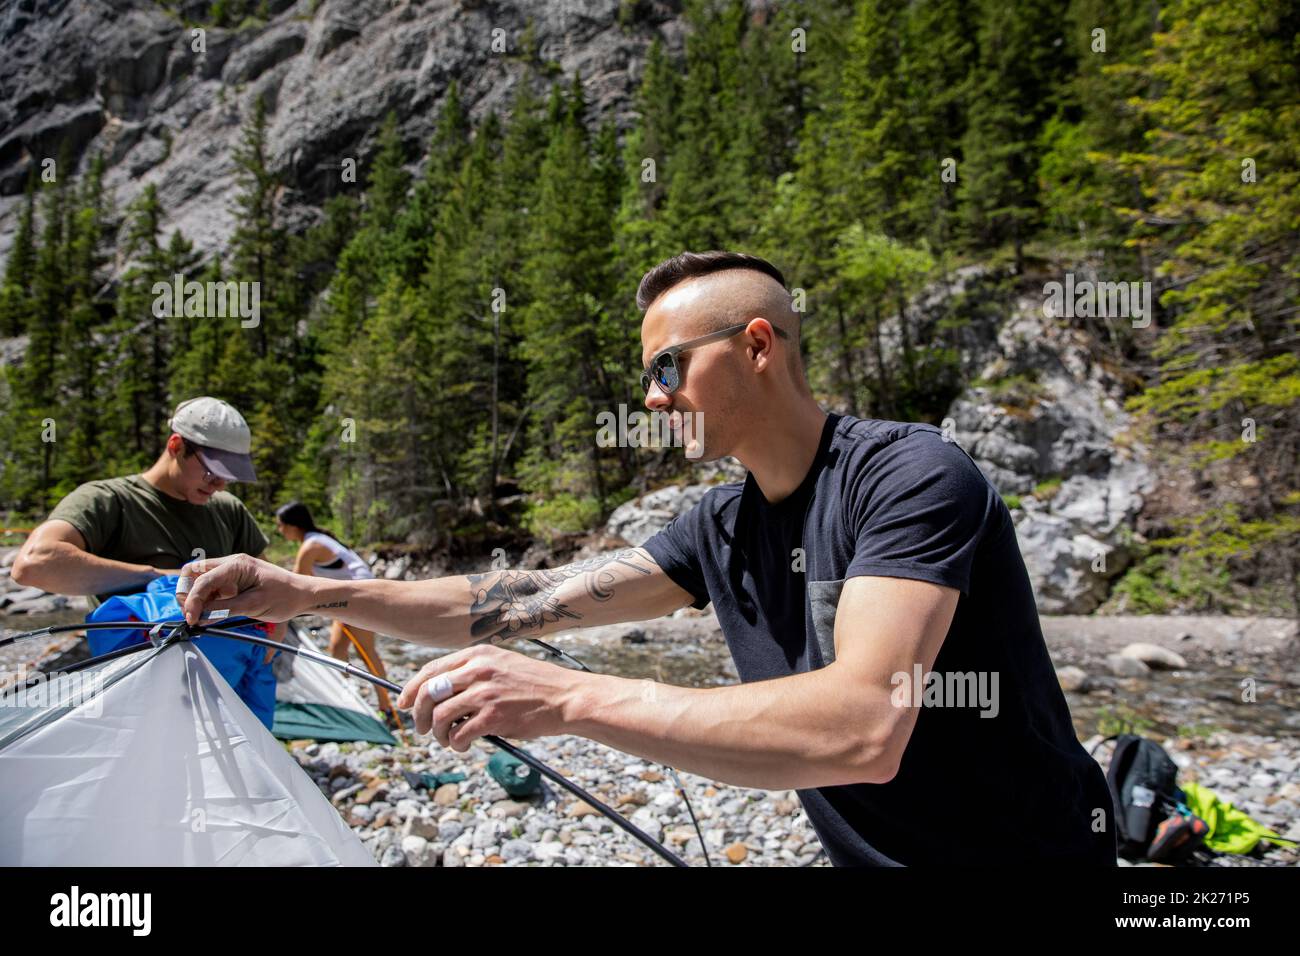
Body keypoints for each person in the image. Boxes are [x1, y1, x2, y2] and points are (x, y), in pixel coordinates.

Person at [175, 252, 1118, 866]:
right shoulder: (720, 525)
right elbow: (523, 600)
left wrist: (573, 701)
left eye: (667, 368)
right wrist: (297, 589)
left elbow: (864, 727)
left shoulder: (910, 474)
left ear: (757, 346)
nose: (654, 398)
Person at [13, 396, 280, 728]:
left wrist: (274, 636)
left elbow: (272, 587)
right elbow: (34, 564)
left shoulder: (229, 510)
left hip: (223, 682)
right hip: (136, 693)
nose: (221, 484)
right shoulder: (108, 500)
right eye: (213, 471)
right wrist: (160, 576)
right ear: (176, 445)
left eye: (230, 475)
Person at [274, 500, 394, 718]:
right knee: (337, 651)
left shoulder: (311, 546)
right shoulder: (317, 540)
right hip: (346, 601)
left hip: (363, 599)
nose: (279, 531)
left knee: (365, 653)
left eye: (280, 525)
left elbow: (296, 584)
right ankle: (348, 703)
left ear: (293, 525)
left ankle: (387, 707)